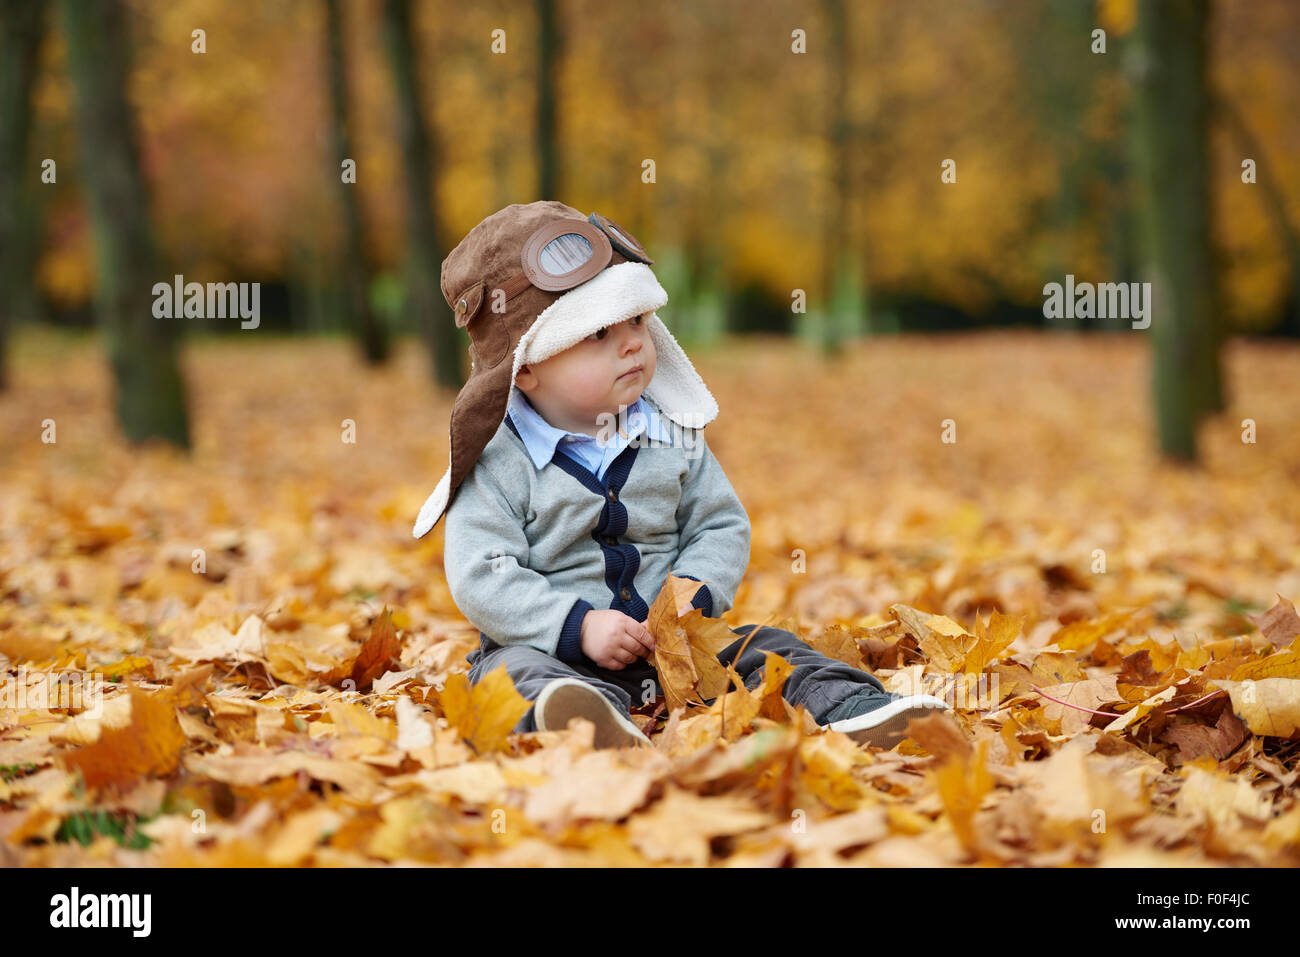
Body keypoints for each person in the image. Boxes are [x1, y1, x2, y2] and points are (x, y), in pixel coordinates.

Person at [412, 200, 948, 749]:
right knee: (509, 675)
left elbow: (719, 523)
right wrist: (577, 627)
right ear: (525, 368)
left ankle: (851, 708)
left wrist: (695, 590)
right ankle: (581, 722)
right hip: (551, 648)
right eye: (597, 334)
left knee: (768, 648)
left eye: (637, 321)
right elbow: (483, 572)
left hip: (681, 649)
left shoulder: (671, 435)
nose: (632, 343)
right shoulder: (500, 461)